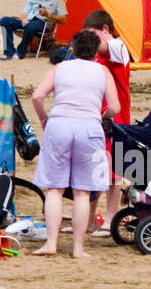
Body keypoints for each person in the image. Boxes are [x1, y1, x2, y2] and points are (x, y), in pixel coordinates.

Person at [30, 30, 120, 258]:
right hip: (88, 127)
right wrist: (103, 116)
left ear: (73, 47)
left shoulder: (60, 68)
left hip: (59, 124)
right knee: (82, 191)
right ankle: (78, 248)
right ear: (95, 51)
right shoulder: (102, 71)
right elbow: (115, 108)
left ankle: (51, 243)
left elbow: (37, 96)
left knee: (55, 189)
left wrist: (43, 118)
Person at [84, 9, 132, 231]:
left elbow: (101, 46)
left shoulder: (118, 46)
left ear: (105, 30)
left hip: (117, 119)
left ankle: (111, 217)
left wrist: (83, 41)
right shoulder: (99, 53)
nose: (90, 40)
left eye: (93, 34)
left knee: (114, 171)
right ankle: (90, 219)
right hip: (97, 117)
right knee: (95, 168)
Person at [0, 0, 66, 60]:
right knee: (4, 20)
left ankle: (20, 52)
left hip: (43, 23)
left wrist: (48, 14)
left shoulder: (57, 0)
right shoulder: (33, 0)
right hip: (28, 21)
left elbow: (63, 20)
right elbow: (24, 14)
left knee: (30, 26)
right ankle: (9, 52)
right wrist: (23, 19)